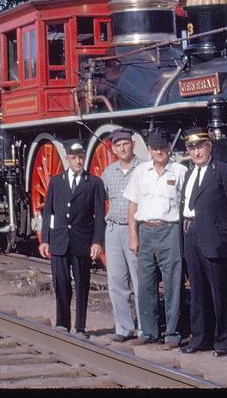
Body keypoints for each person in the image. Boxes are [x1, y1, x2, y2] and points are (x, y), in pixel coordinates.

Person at [179, 126, 227, 357]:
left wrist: (225, 231)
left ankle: (222, 341)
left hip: (215, 238)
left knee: (220, 293)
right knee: (197, 292)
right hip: (191, 235)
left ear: (209, 146)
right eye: (191, 148)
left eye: (200, 147)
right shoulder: (188, 174)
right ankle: (199, 339)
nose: (196, 152)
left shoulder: (223, 171)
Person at [124, 128, 187, 348]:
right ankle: (149, 332)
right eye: (155, 148)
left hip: (170, 230)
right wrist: (133, 235)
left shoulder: (180, 171)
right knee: (145, 284)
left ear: (169, 148)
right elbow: (132, 205)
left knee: (173, 283)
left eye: (163, 147)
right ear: (149, 150)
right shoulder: (140, 172)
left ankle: (172, 333)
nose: (159, 151)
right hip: (145, 231)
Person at [39, 139, 106, 337]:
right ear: (67, 158)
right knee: (60, 280)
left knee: (82, 283)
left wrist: (97, 241)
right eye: (74, 157)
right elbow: (48, 212)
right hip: (59, 240)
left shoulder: (94, 183)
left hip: (82, 241)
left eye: (81, 157)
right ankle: (62, 322)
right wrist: (45, 239)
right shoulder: (56, 182)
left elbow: (100, 216)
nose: (78, 161)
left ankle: (80, 326)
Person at [100, 127, 142, 343]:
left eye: (125, 143)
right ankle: (124, 328)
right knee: (116, 281)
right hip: (114, 229)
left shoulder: (144, 169)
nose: (122, 148)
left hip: (136, 230)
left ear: (133, 144)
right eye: (118, 145)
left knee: (140, 280)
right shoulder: (109, 172)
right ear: (114, 148)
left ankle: (145, 328)